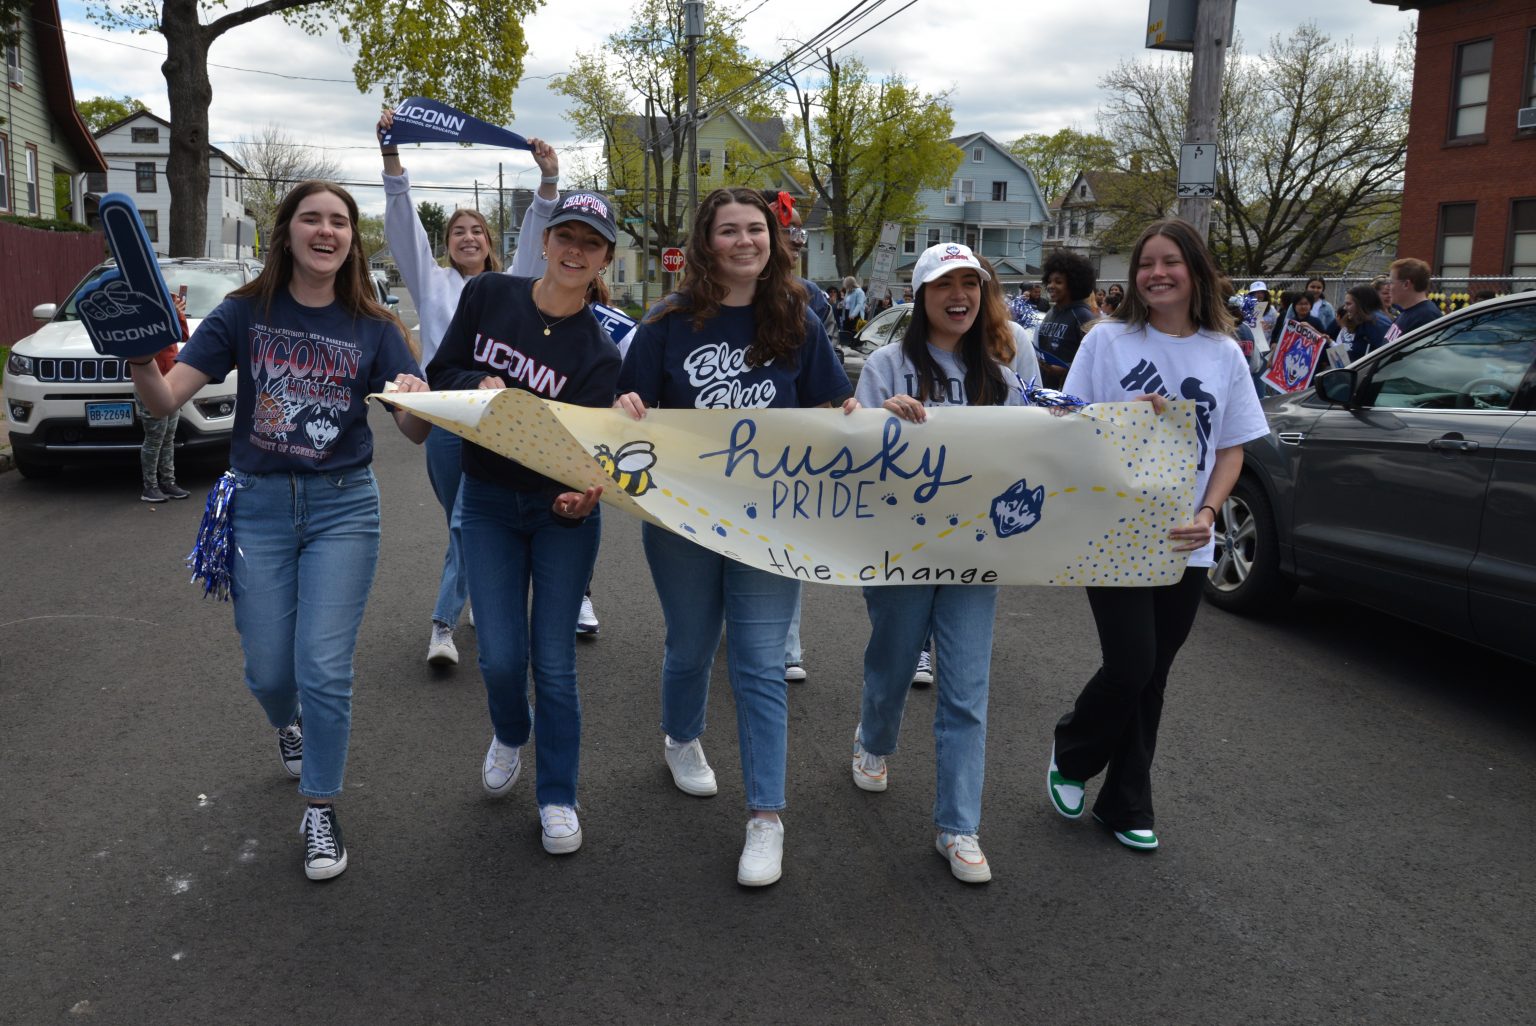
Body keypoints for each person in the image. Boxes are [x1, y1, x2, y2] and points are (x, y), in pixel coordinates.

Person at [127, 181, 432, 880]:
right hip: (258, 507)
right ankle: (286, 724)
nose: (326, 231)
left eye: (339, 222)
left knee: (323, 666)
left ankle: (320, 805)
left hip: (343, 508)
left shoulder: (377, 327)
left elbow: (414, 433)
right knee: (270, 671)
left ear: (352, 240)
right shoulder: (244, 312)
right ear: (287, 232)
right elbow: (166, 399)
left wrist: (416, 399)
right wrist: (142, 359)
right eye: (311, 219)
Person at [616, 187, 850, 887]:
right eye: (729, 231)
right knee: (691, 646)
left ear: (773, 241)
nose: (745, 241)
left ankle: (766, 817)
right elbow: (627, 411)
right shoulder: (666, 322)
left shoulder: (798, 318)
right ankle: (681, 738)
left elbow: (832, 407)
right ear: (705, 242)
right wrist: (624, 408)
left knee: (759, 664)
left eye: (756, 229)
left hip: (772, 520)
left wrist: (870, 414)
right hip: (684, 517)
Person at [1046, 218, 1268, 852]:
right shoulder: (1107, 341)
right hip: (1112, 531)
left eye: (1170, 262)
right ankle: (1072, 750)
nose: (1156, 273)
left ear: (1195, 271)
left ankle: (1125, 803)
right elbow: (1066, 421)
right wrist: (1118, 417)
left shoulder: (1224, 353)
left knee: (1154, 674)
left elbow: (1231, 448)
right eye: (1146, 264)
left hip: (1186, 539)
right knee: (1131, 665)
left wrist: (1210, 512)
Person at [425, 191, 623, 855]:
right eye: (566, 235)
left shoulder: (600, 353)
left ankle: (558, 793)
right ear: (544, 240)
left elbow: (587, 457)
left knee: (555, 662)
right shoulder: (488, 295)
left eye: (590, 243)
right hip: (486, 499)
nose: (575, 250)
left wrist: (579, 499)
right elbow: (441, 371)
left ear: (604, 259)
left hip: (560, 515)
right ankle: (512, 731)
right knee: (502, 658)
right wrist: (477, 381)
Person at [842, 242, 1033, 884]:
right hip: (901, 550)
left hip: (975, 554)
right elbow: (854, 452)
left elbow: (1036, 447)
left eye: (970, 285)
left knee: (966, 689)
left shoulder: (1002, 375)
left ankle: (958, 826)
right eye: (945, 284)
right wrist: (880, 420)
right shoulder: (887, 365)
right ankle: (873, 740)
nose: (960, 296)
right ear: (920, 295)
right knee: (894, 661)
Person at [378, 111, 569, 666]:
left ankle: (442, 625)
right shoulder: (432, 283)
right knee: (463, 522)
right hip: (444, 417)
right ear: (447, 245)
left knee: (468, 519)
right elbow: (403, 227)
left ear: (489, 243)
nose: (467, 237)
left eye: (477, 231)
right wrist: (391, 157)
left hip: (498, 420)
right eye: (457, 231)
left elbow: (535, 236)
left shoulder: (510, 286)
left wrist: (549, 180)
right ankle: (484, 600)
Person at [134, 291, 192, 503]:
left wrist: (178, 316)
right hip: (150, 384)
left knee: (168, 436)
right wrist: (169, 316)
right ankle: (150, 487)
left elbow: (182, 336)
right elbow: (150, 342)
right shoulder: (143, 314)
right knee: (155, 437)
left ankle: (168, 482)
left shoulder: (168, 307)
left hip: (170, 382)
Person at [1036, 250, 1098, 389]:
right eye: (1049, 281)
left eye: (1058, 282)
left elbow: (1094, 358)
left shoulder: (1083, 316)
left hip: (1069, 392)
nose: (1051, 286)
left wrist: (1065, 369)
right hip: (1045, 389)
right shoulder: (1051, 313)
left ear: (1073, 284)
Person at [1384, 258, 1442, 343]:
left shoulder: (1426, 317)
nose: (1388, 287)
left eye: (1391, 282)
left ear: (1406, 284)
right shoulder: (1408, 312)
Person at [1335, 284, 1389, 362]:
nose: (1345, 308)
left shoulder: (1374, 324)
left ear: (1361, 304)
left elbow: (1386, 354)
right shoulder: (1368, 320)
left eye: (1349, 304)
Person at [842, 274, 867, 344]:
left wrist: (853, 314)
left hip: (855, 315)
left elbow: (859, 304)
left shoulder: (859, 291)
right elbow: (846, 302)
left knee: (854, 331)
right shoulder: (848, 291)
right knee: (847, 330)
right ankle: (848, 344)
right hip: (847, 313)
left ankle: (854, 344)